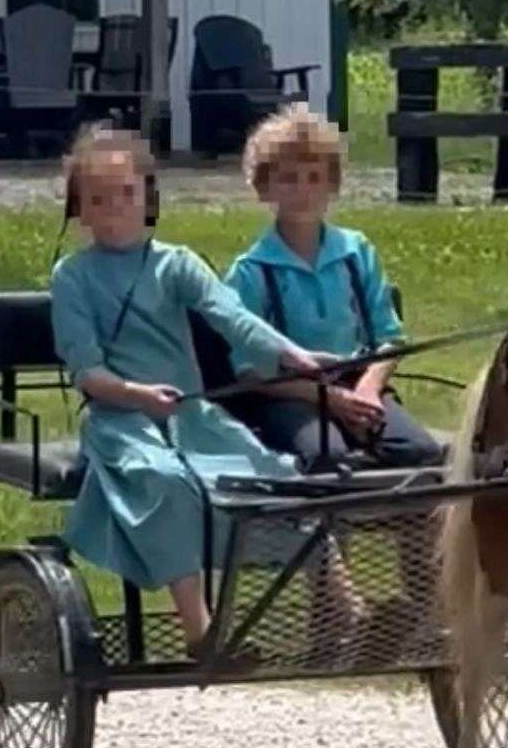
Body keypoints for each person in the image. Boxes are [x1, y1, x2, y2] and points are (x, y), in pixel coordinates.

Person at [51, 123, 323, 657]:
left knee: (275, 477)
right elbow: (87, 373)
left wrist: (294, 356)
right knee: (168, 480)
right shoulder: (72, 278)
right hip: (120, 422)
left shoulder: (175, 263)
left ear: (147, 198)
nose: (114, 210)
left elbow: (232, 317)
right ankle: (201, 631)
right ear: (80, 211)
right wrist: (137, 395)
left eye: (126, 195)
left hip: (192, 418)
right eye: (99, 201)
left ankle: (339, 611)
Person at [223, 105, 444, 473]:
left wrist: (368, 390)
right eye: (289, 179)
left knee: (420, 454)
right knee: (329, 458)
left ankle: (400, 526)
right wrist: (329, 399)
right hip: (290, 395)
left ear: (332, 185)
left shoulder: (356, 253)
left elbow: (389, 337)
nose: (303, 191)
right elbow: (249, 372)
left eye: (314, 178)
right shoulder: (251, 272)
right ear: (264, 187)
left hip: (359, 384)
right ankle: (315, 530)